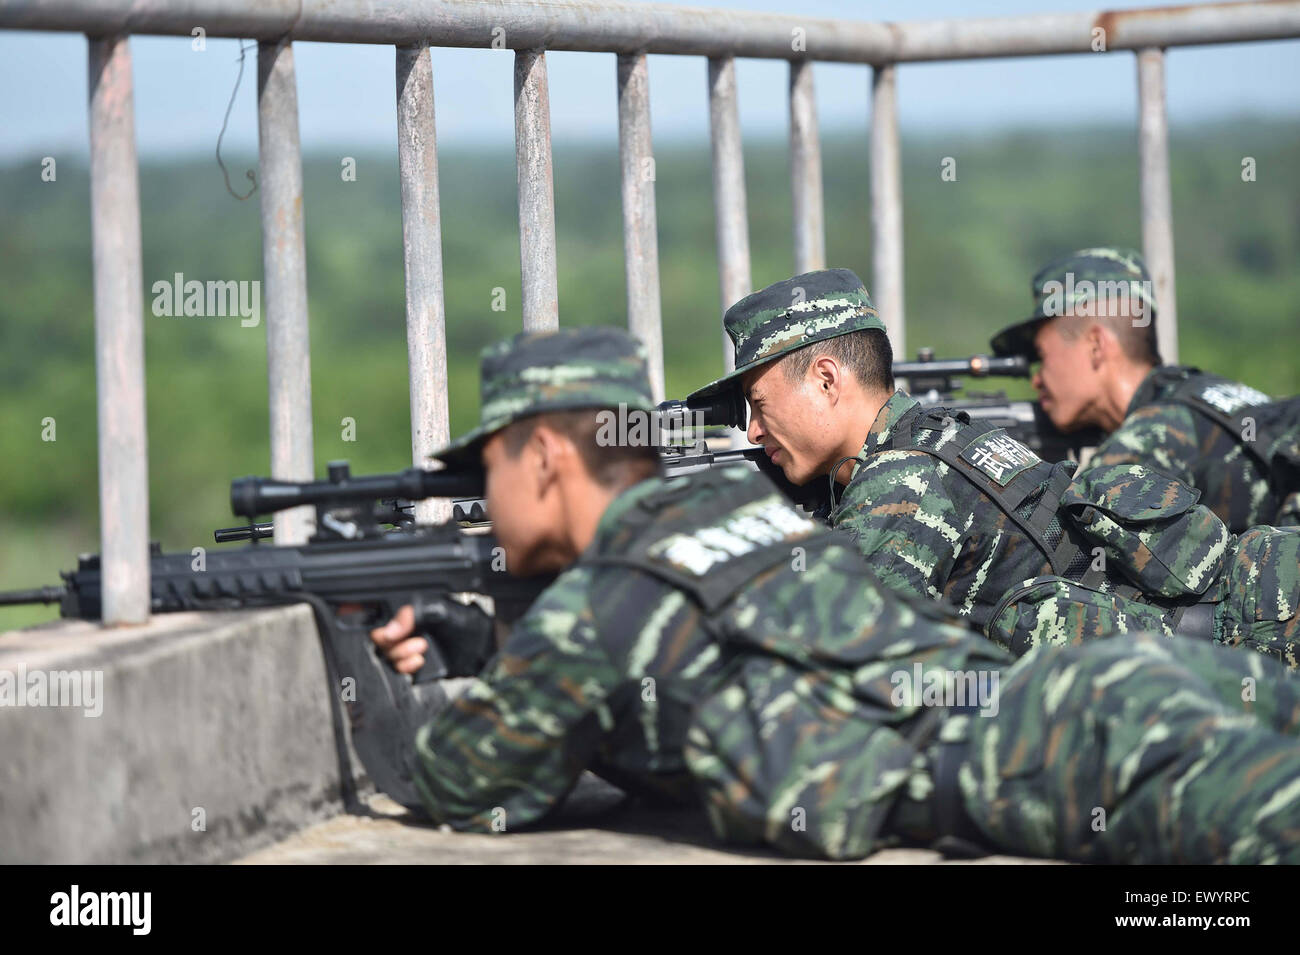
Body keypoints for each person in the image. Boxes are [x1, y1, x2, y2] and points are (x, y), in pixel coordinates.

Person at [349, 324, 1300, 864]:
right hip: (1094, 686)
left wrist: (406, 669)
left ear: (547, 456)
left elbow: (464, 782)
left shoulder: (600, 608)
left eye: (486, 463)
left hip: (1047, 753)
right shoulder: (730, 510)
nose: (484, 490)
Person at [685, 268, 1299, 666]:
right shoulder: (940, 440)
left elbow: (837, 657)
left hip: (1262, 630)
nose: (754, 430)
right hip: (1262, 591)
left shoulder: (902, 481)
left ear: (825, 379)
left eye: (759, 406)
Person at [990, 246, 1300, 533]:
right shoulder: (1206, 395)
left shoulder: (1144, 443)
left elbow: (1063, 558)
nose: (1036, 379)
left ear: (1096, 346)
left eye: (1042, 357)